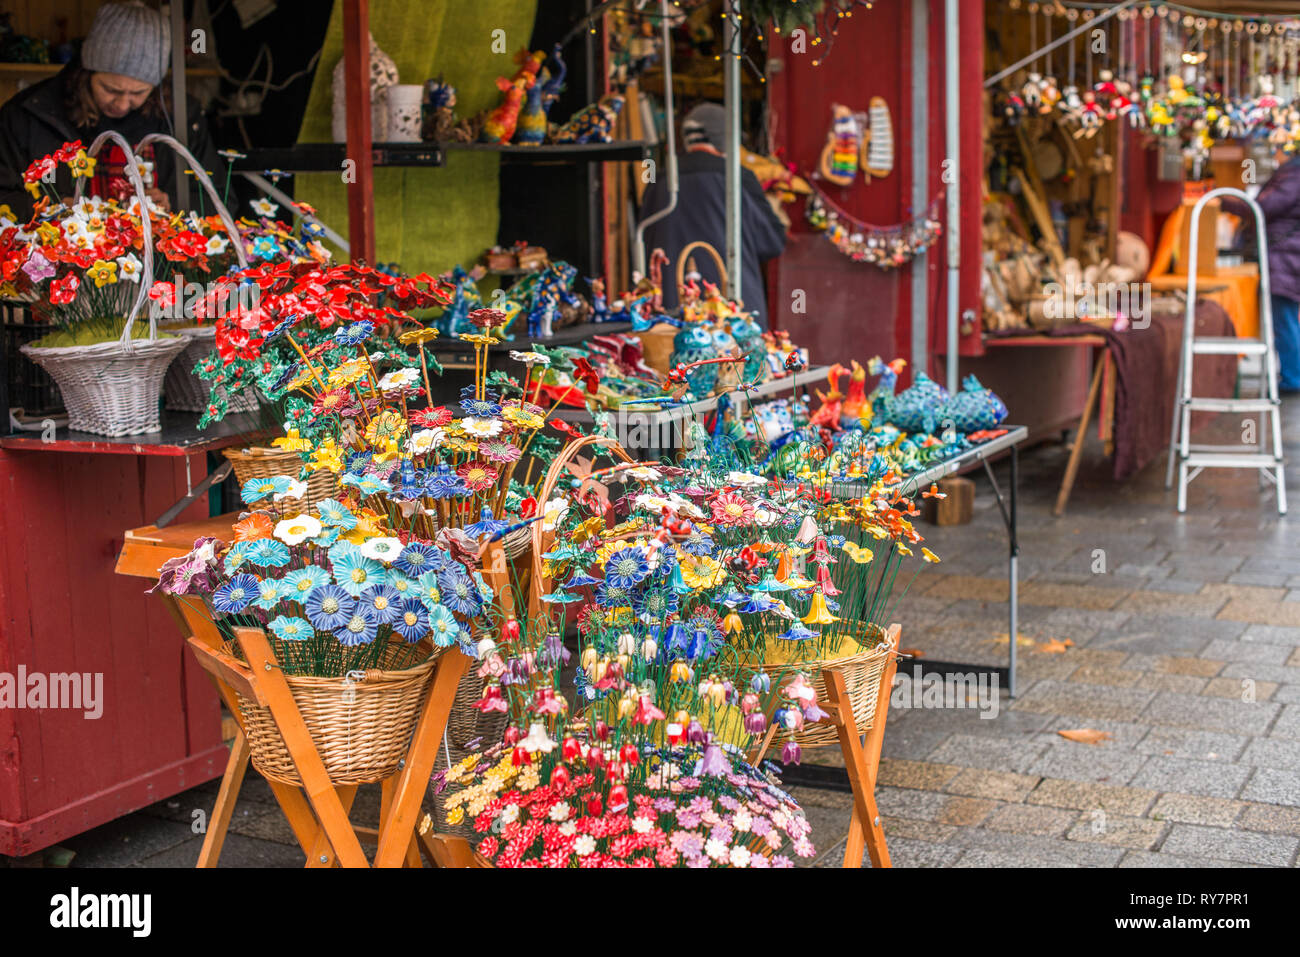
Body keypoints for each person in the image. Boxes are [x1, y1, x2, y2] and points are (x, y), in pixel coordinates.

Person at [0, 0, 224, 220]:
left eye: (138, 93)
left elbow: (221, 200)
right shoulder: (30, 114)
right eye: (110, 89)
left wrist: (172, 203)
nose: (122, 104)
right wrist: (49, 210)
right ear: (87, 74)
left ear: (155, 87)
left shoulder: (181, 116)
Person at [639, 101, 786, 326]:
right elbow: (772, 242)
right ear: (725, 139)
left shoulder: (657, 180)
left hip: (670, 312)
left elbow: (645, 243)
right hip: (733, 312)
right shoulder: (738, 177)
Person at [1220, 149, 1300, 393]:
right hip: (1286, 254)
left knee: (1283, 319)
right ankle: (1291, 374)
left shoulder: (1293, 175)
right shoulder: (1289, 174)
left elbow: (1264, 208)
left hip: (1284, 256)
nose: (1274, 153)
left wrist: (1225, 201)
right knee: (1285, 318)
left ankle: (1292, 377)